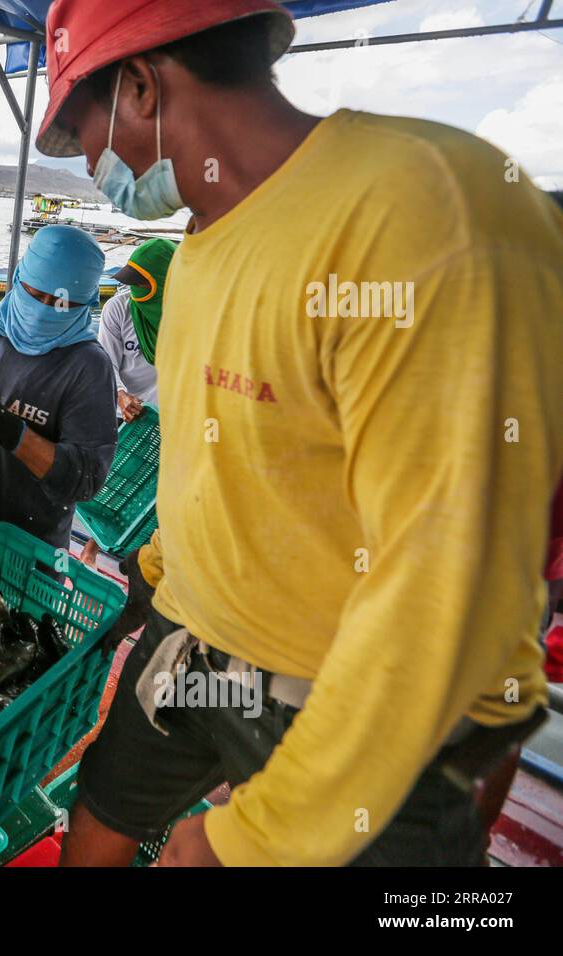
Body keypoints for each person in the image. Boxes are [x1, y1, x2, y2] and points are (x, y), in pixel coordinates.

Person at [36, 0, 563, 867]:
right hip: (195, 639)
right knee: (92, 834)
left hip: (375, 710)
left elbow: (449, 602)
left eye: (87, 137)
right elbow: (224, 455)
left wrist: (245, 838)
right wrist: (151, 575)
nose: (95, 167)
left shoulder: (421, 210)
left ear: (139, 87)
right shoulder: (201, 250)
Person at [0, 224, 118, 551]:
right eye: (34, 294)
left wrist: (16, 436)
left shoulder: (88, 367)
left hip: (29, 546)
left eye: (61, 304)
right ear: (16, 279)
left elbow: (86, 480)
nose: (42, 311)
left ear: (88, 303)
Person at [97, 237, 176, 422]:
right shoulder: (118, 309)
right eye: (131, 283)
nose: (135, 289)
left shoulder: (192, 316)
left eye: (141, 284)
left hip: (169, 418)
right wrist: (120, 394)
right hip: (123, 413)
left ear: (165, 280)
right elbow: (107, 364)